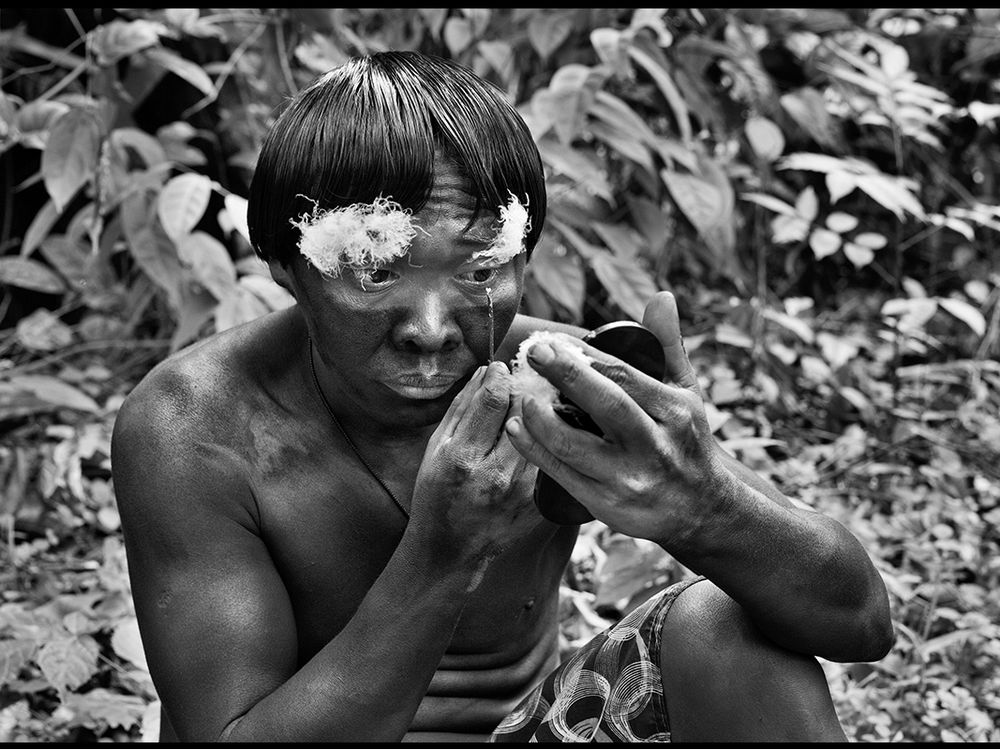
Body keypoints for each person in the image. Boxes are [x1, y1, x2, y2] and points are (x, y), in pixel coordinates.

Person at [111, 50, 893, 743]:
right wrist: (444, 551)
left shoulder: (561, 383)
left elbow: (859, 622)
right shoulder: (196, 426)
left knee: (724, 629)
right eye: (375, 271)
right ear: (285, 264)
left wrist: (703, 502)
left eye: (479, 269)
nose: (429, 328)